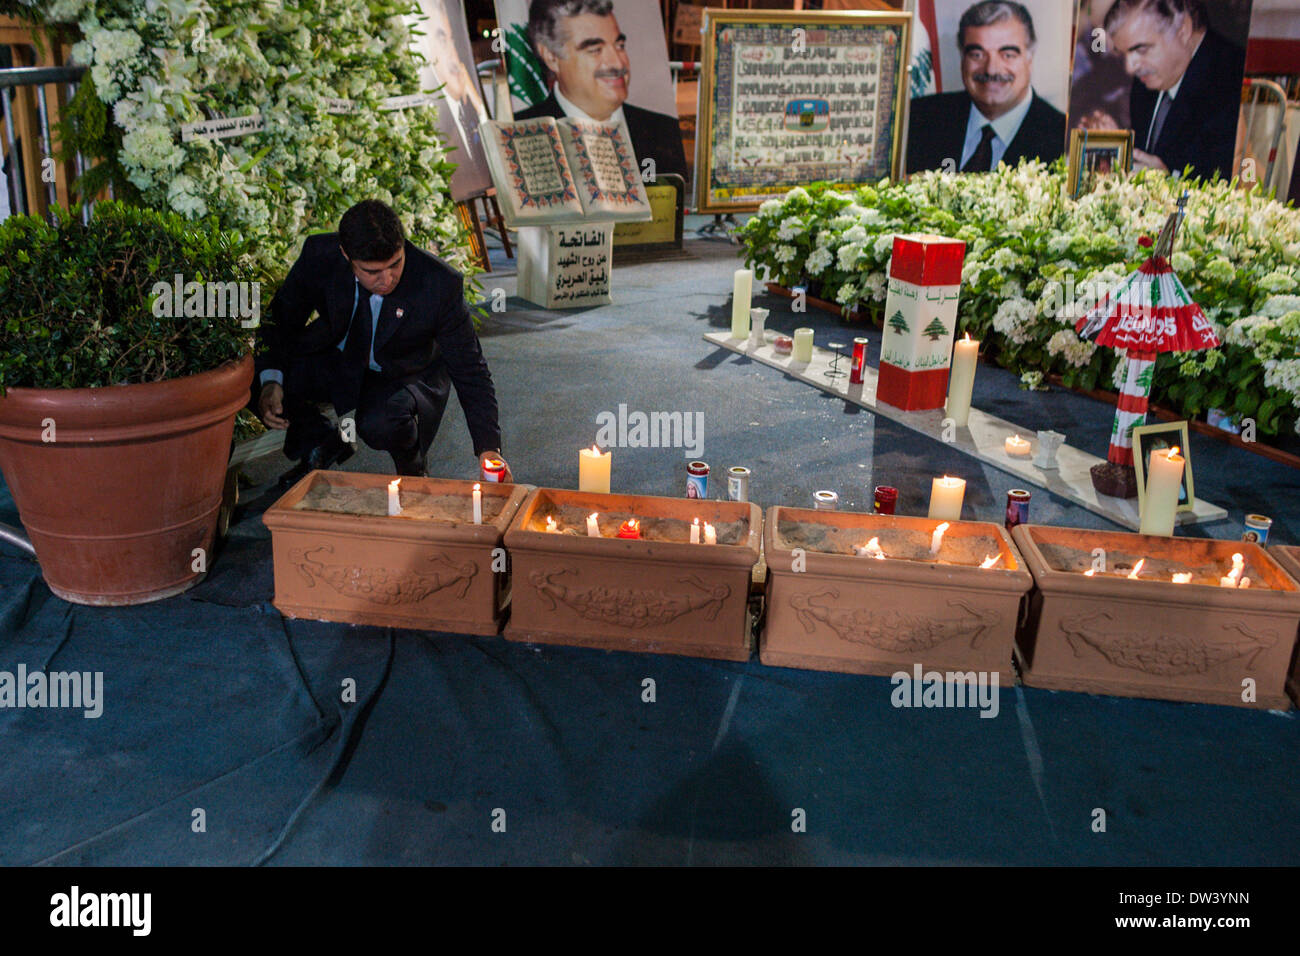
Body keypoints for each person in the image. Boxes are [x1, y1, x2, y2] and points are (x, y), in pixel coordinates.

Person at [255, 200, 511, 483]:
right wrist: (271, 381)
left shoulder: (439, 282)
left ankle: (413, 468)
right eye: (372, 272)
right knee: (254, 376)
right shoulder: (320, 255)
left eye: (395, 264)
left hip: (404, 370)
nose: (387, 280)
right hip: (340, 355)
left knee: (380, 422)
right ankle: (320, 441)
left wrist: (489, 448)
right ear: (345, 255)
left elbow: (470, 369)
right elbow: (278, 321)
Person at [516, 0, 687, 181]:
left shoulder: (664, 133)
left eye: (619, 46)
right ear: (551, 57)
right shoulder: (521, 134)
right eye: (595, 50)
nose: (617, 63)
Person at [906, 0, 1066, 174]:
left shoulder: (1063, 140)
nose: (991, 69)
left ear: (1030, 58)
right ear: (962, 58)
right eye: (977, 54)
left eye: (1007, 55)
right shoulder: (917, 119)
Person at [1104, 0, 1245, 180]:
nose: (1130, 67)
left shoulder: (1231, 80)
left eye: (1141, 50)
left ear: (1183, 30)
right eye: (1124, 54)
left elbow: (1233, 189)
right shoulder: (1145, 83)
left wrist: (1170, 183)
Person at [424, 0, 490, 179]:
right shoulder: (433, 120)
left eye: (452, 41)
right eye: (442, 41)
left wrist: (481, 111)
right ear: (425, 48)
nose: (454, 56)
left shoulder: (471, 110)